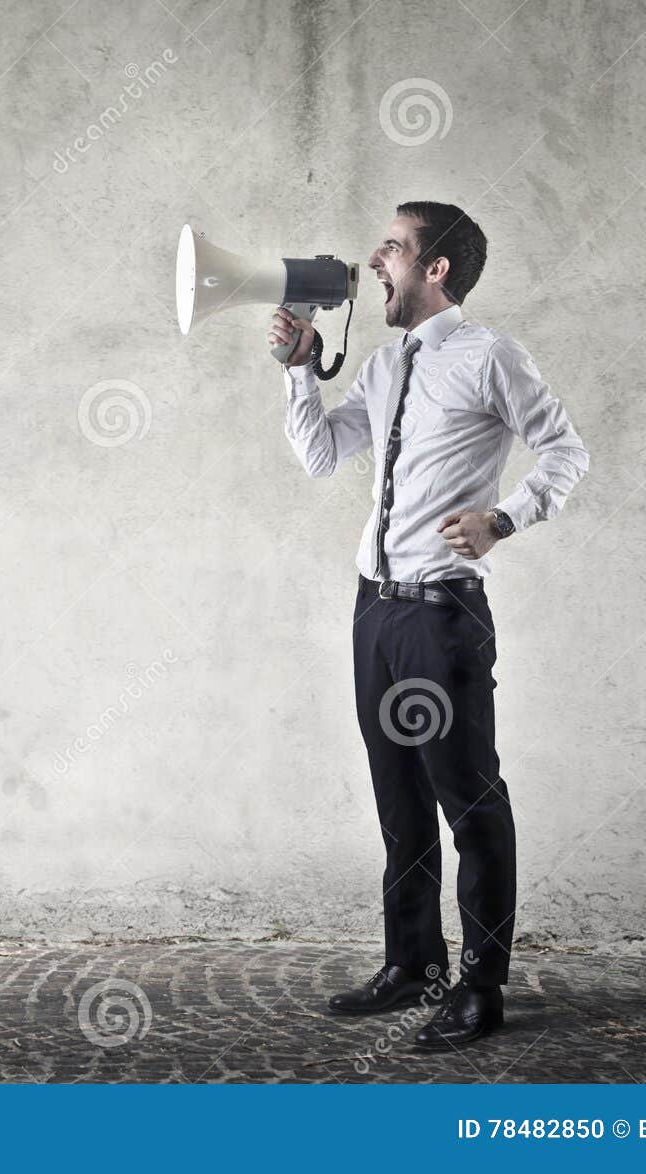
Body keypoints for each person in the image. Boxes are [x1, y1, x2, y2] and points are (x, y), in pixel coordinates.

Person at [270, 201, 589, 1048]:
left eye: (393, 248)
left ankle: (482, 986)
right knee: (398, 799)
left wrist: (505, 518)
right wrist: (301, 369)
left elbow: (565, 450)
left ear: (436, 268)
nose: (375, 259)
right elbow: (320, 454)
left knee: (469, 801)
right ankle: (414, 964)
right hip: (374, 610)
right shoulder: (380, 365)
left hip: (443, 614)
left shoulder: (490, 356)